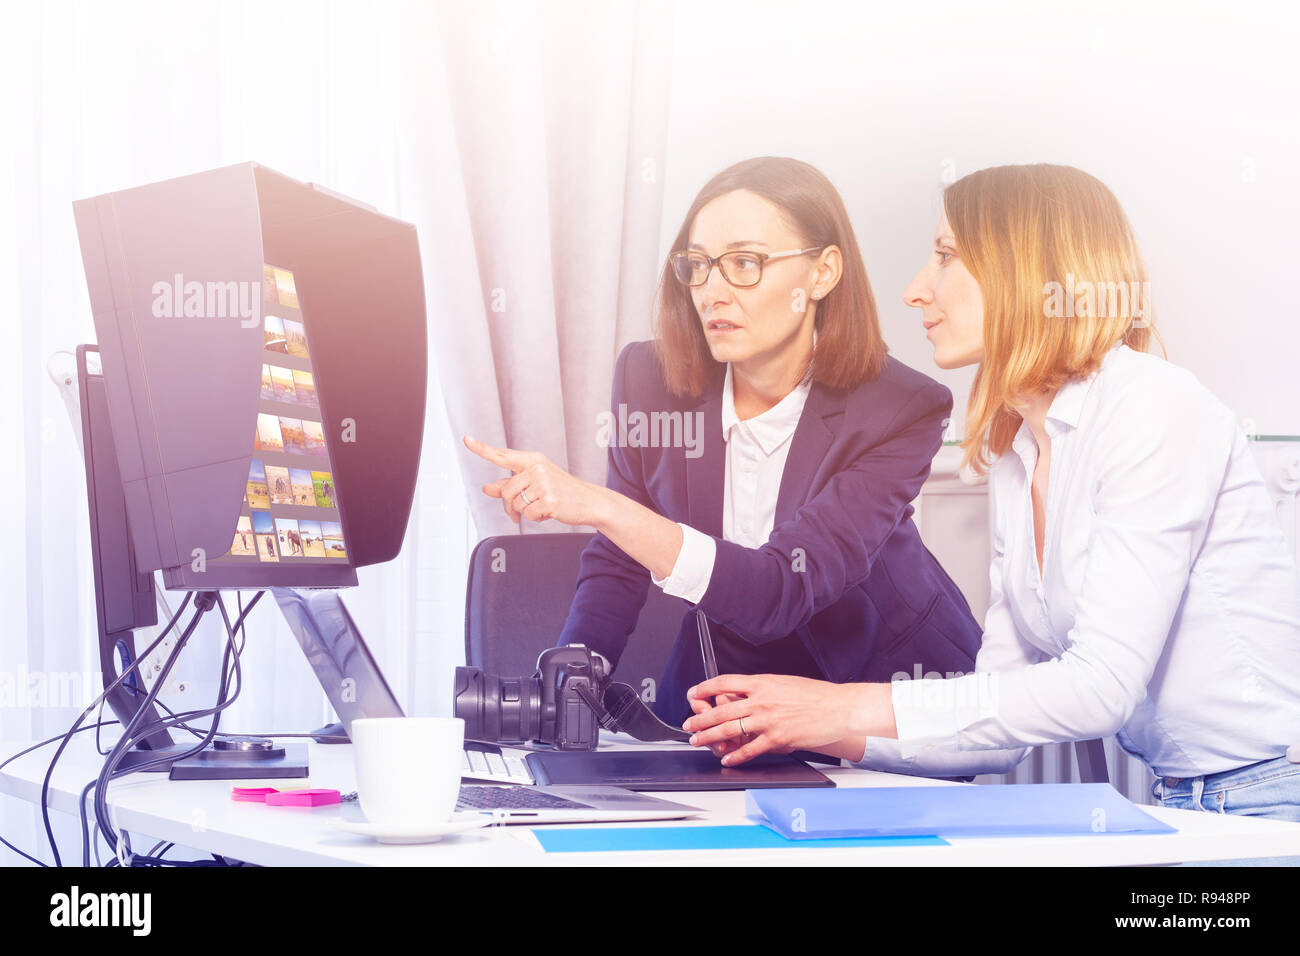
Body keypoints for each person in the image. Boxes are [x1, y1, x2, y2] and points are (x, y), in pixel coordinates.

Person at [682, 163, 1300, 823]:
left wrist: (839, 707)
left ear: (1030, 271)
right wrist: (806, 729)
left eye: (946, 256)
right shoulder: (1019, 453)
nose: (917, 289)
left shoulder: (1154, 408)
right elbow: (998, 712)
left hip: (1269, 803)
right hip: (1187, 803)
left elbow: (1101, 690)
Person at [465, 156, 984, 735]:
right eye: (699, 265)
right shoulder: (648, 378)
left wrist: (599, 505)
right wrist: (571, 679)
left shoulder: (901, 408)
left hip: (879, 690)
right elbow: (620, 559)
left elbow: (780, 593)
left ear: (822, 273)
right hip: (722, 684)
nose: (713, 291)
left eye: (744, 263)